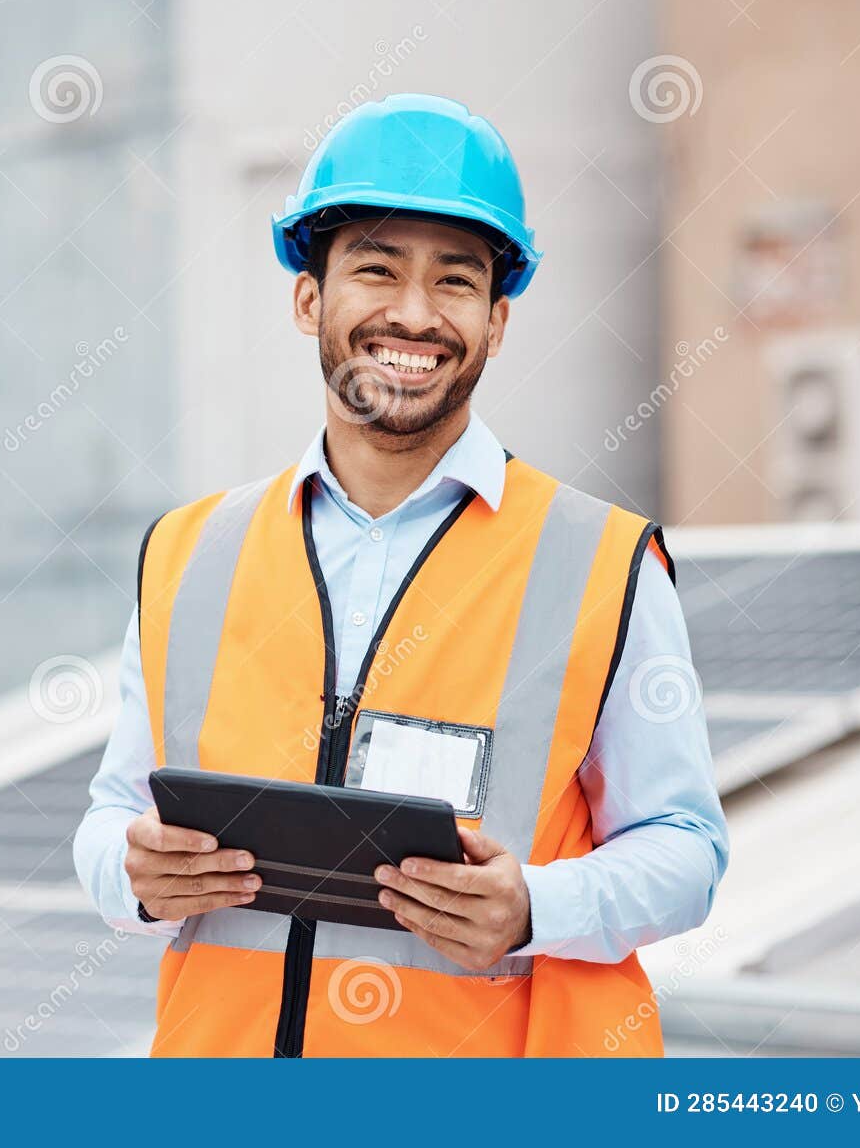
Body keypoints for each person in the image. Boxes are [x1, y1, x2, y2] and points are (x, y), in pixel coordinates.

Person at [74, 93, 728, 1057]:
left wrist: (537, 904)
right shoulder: (190, 552)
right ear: (310, 298)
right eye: (377, 269)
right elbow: (112, 818)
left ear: (498, 320)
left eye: (455, 281)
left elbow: (688, 850)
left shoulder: (603, 563)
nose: (414, 315)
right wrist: (133, 878)